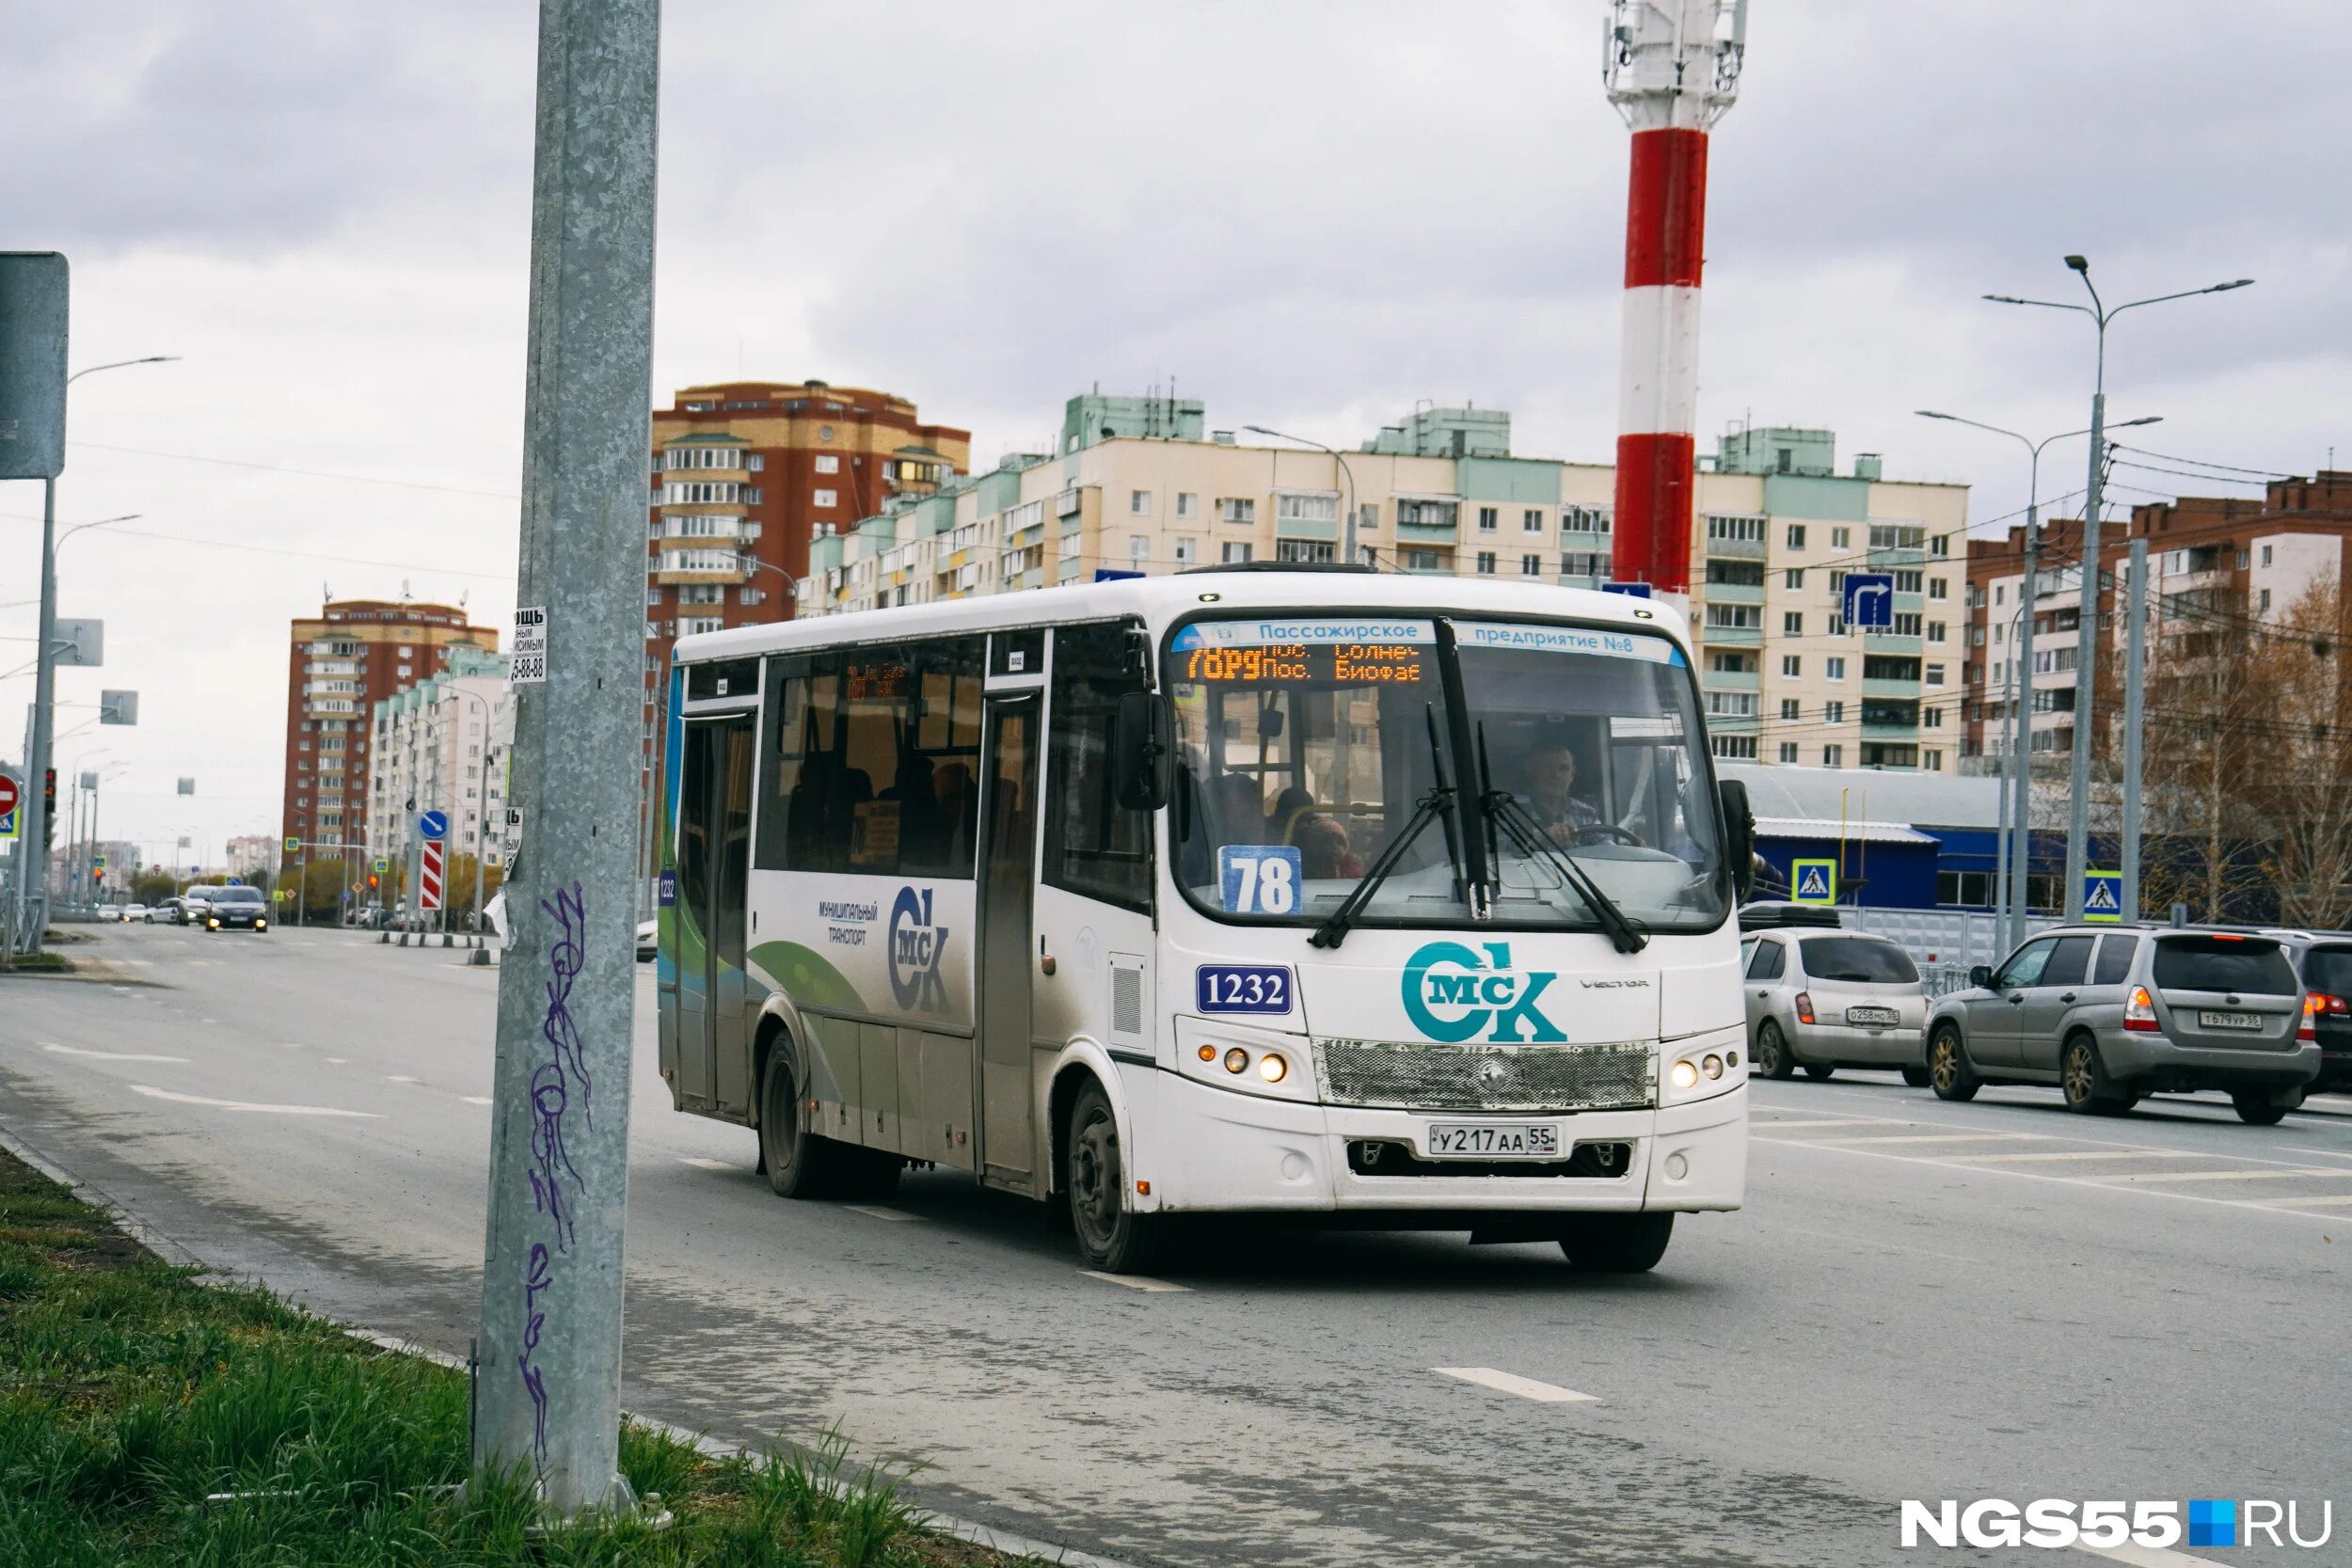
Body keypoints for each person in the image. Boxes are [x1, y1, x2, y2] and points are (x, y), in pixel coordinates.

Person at [1521, 742, 1601, 844]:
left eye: (1563, 769)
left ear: (1572, 774)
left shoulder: (1586, 814)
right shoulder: (1511, 814)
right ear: (1531, 771)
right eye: (1546, 768)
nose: (1556, 775)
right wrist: (1542, 839)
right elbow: (1501, 847)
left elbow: (1609, 852)